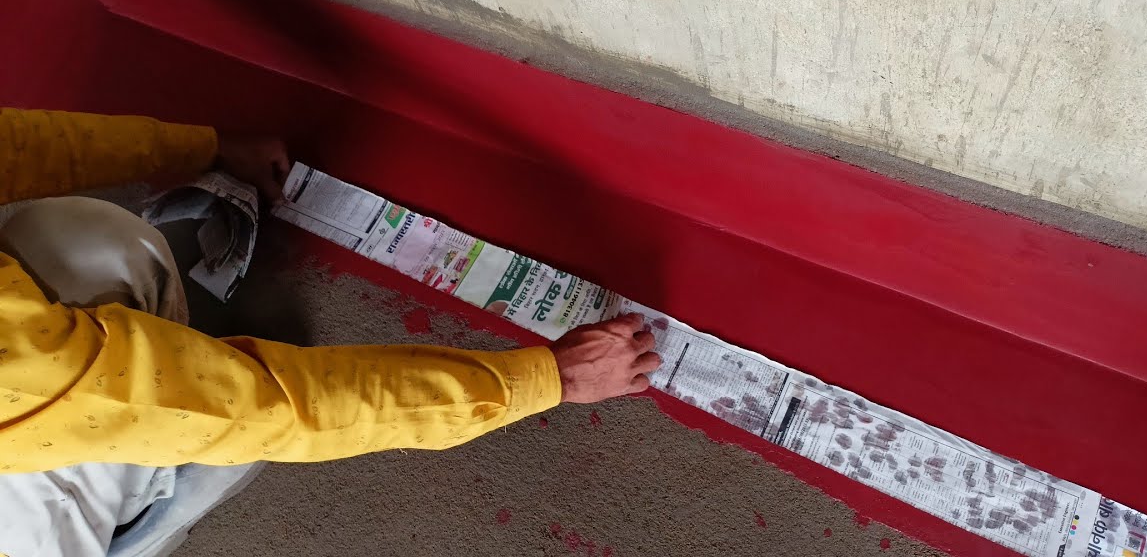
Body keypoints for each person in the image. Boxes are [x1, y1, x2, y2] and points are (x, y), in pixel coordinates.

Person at [0, 108, 660, 557]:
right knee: (220, 433)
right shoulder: (19, 365)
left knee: (75, 242)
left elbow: (15, 146)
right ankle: (133, 513)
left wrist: (202, 145)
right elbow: (275, 406)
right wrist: (545, 379)